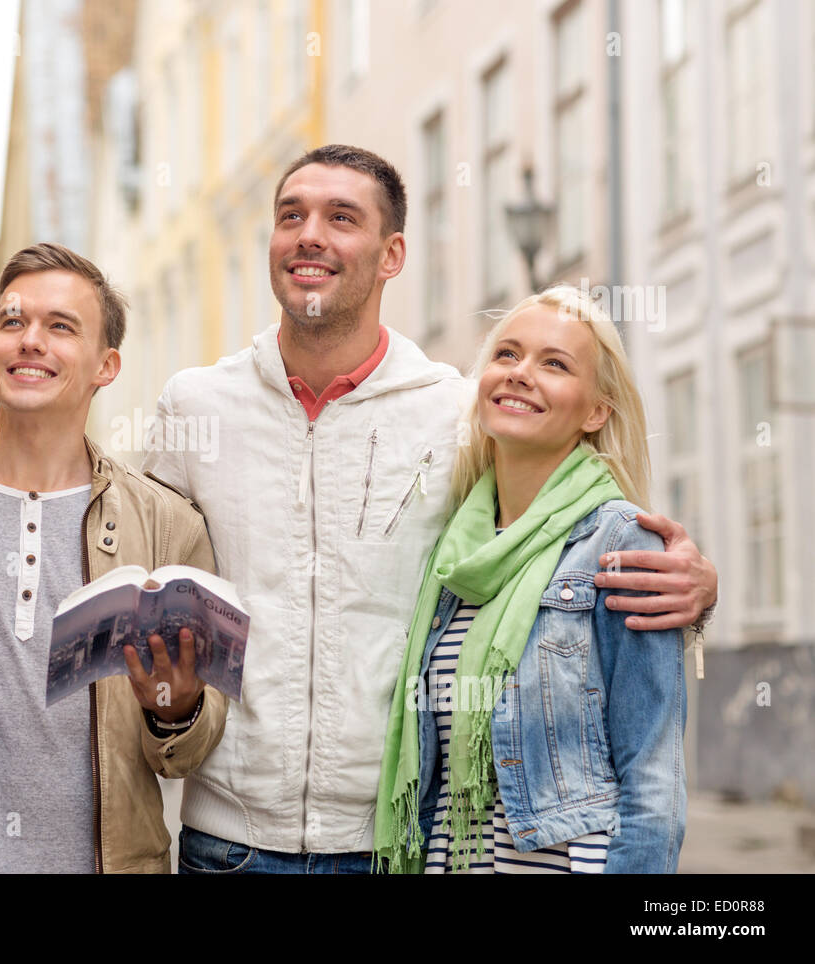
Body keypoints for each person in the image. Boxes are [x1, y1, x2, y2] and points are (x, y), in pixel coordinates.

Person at [143, 144, 717, 874]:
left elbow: (543, 542)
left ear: (392, 255)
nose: (309, 234)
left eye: (341, 218)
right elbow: (142, 576)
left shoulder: (458, 412)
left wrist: (696, 590)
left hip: (390, 844)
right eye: (292, 215)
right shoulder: (195, 407)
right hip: (225, 842)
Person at [376, 286, 686, 873]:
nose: (521, 374)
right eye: (507, 354)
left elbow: (654, 776)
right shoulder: (453, 551)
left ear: (596, 411)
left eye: (555, 364)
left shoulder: (620, 542)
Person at [0, 242, 227, 874]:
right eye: (12, 321)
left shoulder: (167, 526)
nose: (29, 341)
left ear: (107, 365)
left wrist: (174, 707)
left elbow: (189, 753)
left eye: (60, 327)